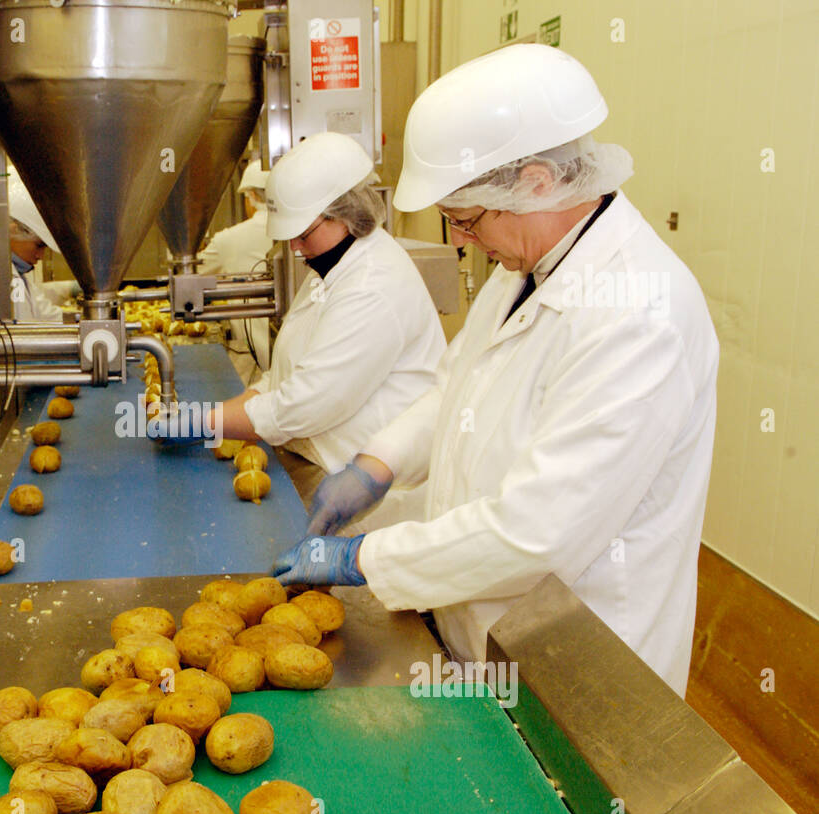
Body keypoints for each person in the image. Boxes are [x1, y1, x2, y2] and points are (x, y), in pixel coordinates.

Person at [273, 44, 719, 696]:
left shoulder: (641, 313)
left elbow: (538, 532)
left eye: (467, 219)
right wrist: (379, 464)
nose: (459, 241)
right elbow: (458, 388)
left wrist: (365, 557)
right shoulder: (528, 268)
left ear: (537, 181)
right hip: (482, 626)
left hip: (581, 660)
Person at [155, 132, 446, 478]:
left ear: (345, 214)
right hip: (320, 459)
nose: (294, 248)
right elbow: (285, 382)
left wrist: (204, 422)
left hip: (366, 490)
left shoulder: (372, 286)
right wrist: (215, 416)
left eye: (303, 235)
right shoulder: (335, 266)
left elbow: (305, 404)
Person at [197, 159, 274, 367]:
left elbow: (191, 276)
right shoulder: (298, 232)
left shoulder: (228, 240)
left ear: (252, 197)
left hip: (255, 356)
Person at [0, 169, 71, 323]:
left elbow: (39, 309)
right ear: (14, 229)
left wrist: (79, 319)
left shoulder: (14, 266)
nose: (40, 256)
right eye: (39, 245)